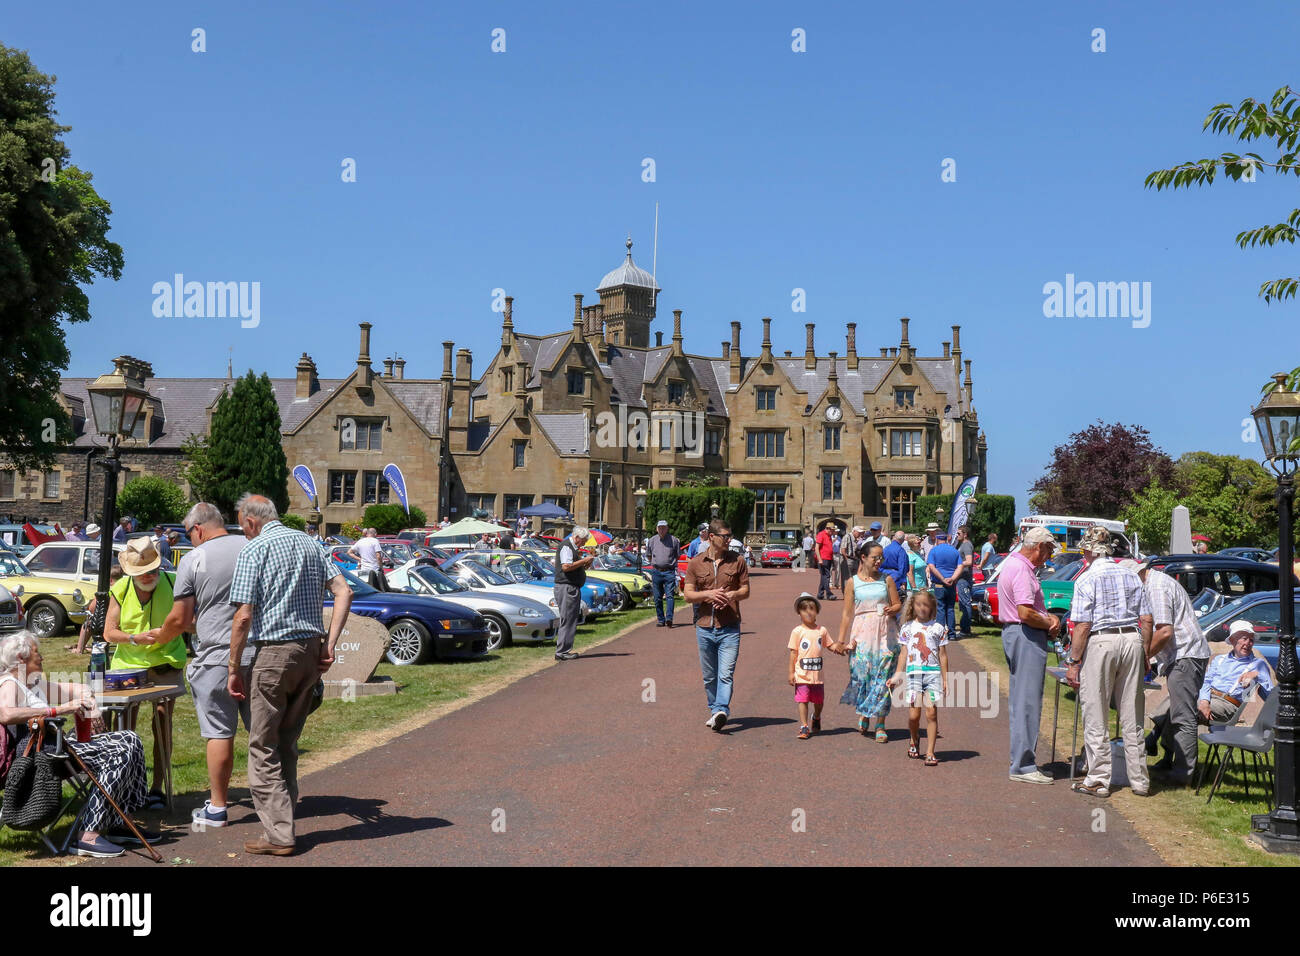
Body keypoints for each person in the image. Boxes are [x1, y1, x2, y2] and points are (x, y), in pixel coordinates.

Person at [227, 493, 353, 856]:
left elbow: (243, 616)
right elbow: (343, 592)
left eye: (243, 526)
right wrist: (330, 645)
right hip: (310, 650)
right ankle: (283, 821)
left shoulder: (254, 550)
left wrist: (233, 668)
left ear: (251, 522)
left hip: (274, 652)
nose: (244, 532)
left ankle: (280, 834)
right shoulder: (311, 543)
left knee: (261, 743)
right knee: (286, 741)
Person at [0, 632, 150, 858]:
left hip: (59, 747)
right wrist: (57, 710)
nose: (42, 657)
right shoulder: (9, 683)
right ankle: (88, 834)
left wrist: (91, 704)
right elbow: (5, 713)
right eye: (36, 652)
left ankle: (120, 822)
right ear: (21, 658)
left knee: (131, 740)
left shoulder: (32, 683)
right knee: (121, 748)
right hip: (43, 757)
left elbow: (78, 689)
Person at [155, 502, 252, 829]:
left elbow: (180, 618)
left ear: (197, 528)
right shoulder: (251, 547)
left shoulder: (195, 558)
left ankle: (219, 807)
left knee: (219, 733)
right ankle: (277, 802)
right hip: (259, 652)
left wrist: (159, 637)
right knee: (267, 735)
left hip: (217, 658)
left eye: (188, 532)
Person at [1066, 526, 1154, 799]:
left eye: (1084, 550)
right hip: (1131, 638)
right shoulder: (1131, 575)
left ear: (1089, 551)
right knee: (1132, 714)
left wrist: (1073, 660)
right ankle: (1139, 780)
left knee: (1096, 712)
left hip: (1101, 640)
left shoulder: (1086, 578)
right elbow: (1147, 619)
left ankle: (1099, 779)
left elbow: (1082, 625)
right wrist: (1146, 652)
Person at [104, 536, 187, 809]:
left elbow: (190, 622)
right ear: (131, 572)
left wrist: (168, 632)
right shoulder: (121, 588)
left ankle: (157, 789)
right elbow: (109, 633)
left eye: (152, 570)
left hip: (165, 663)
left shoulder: (174, 582)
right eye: (142, 572)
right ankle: (126, 787)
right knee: (124, 728)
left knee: (162, 723)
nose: (149, 576)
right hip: (128, 666)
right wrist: (133, 639)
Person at [1127, 558, 1209, 785]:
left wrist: (1143, 657)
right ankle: (1169, 761)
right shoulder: (1155, 583)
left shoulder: (1156, 588)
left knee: (1183, 718)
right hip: (1183, 655)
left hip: (1185, 655)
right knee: (1172, 715)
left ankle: (1183, 774)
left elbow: (1164, 632)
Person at [999, 527, 1061, 785]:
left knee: (1022, 701)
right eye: (1049, 549)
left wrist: (1046, 619)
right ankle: (1023, 765)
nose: (1049, 555)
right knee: (1027, 702)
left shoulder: (1013, 564)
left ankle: (1022, 761)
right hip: (1025, 634)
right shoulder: (1022, 570)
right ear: (1038, 546)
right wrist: (1049, 623)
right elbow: (1025, 612)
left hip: (1018, 634)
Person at [683, 518, 751, 732]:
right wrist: (707, 595)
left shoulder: (737, 561)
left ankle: (721, 709)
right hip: (704, 627)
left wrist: (732, 594)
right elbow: (687, 595)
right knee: (709, 676)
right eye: (725, 536)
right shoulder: (695, 563)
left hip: (730, 626)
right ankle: (715, 710)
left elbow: (746, 590)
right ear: (712, 537)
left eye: (730, 535)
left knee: (726, 673)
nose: (729, 539)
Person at [839, 541, 902, 740]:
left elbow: (897, 604)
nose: (879, 561)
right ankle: (865, 712)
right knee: (863, 676)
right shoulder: (853, 583)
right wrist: (841, 640)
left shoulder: (887, 579)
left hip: (885, 633)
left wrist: (893, 609)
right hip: (862, 634)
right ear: (863, 558)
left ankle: (881, 723)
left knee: (883, 679)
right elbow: (847, 614)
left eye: (881, 557)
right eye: (875, 557)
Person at [887, 589, 949, 766]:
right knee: (914, 715)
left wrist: (945, 679)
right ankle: (914, 740)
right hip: (914, 674)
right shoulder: (907, 628)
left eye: (926, 605)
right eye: (919, 604)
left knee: (931, 713)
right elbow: (903, 654)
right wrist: (897, 676)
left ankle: (930, 752)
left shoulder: (938, 628)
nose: (922, 608)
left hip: (933, 675)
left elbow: (943, 655)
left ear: (932, 607)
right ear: (913, 606)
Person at [788, 593, 847, 739]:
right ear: (799, 613)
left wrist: (840, 648)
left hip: (817, 675)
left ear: (817, 612)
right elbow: (793, 653)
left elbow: (830, 645)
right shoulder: (797, 631)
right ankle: (804, 726)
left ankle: (816, 717)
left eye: (812, 609)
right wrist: (791, 673)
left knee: (819, 702)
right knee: (803, 700)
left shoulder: (822, 630)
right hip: (802, 674)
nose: (808, 612)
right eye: (804, 610)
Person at [1197, 622, 1273, 722]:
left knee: (1186, 710)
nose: (1248, 643)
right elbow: (1206, 682)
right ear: (1233, 640)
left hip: (1228, 704)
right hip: (1208, 698)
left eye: (1251, 640)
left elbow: (1270, 695)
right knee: (1176, 705)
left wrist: (1256, 675)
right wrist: (1204, 701)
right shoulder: (1219, 659)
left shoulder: (1258, 664)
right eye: (1244, 639)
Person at [553, 527, 591, 661]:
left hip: (570, 587)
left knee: (570, 619)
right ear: (577, 538)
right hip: (567, 587)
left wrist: (584, 564)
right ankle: (562, 651)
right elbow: (566, 567)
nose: (584, 544)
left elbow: (570, 566)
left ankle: (564, 650)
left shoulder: (571, 547)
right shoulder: (567, 547)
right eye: (584, 541)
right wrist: (583, 561)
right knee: (568, 619)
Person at [70, 564, 125, 654]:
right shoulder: (126, 589)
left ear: (110, 580)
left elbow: (92, 609)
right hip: (123, 623)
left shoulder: (107, 591)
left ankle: (79, 649)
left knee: (88, 622)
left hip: (108, 625)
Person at [645, 519, 681, 628]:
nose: (661, 529)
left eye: (663, 527)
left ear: (667, 528)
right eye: (660, 527)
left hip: (669, 571)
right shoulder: (652, 540)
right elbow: (649, 555)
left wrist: (670, 564)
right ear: (656, 529)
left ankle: (669, 618)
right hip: (656, 572)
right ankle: (661, 619)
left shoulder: (674, 540)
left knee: (670, 595)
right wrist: (655, 563)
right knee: (657, 597)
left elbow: (677, 555)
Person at [925, 532, 961, 639]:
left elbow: (931, 566)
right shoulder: (954, 551)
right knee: (950, 608)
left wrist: (942, 579)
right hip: (951, 584)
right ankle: (952, 634)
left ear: (937, 539)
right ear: (946, 539)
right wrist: (952, 578)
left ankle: (940, 634)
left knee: (940, 608)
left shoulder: (934, 550)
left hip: (939, 584)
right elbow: (960, 566)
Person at [954, 525, 976, 638]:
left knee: (965, 603)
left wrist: (957, 564)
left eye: (959, 533)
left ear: (965, 534)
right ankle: (965, 628)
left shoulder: (966, 545)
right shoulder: (963, 545)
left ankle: (965, 630)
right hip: (962, 578)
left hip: (964, 578)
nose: (957, 535)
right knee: (963, 604)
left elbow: (969, 561)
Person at [880, 530, 910, 600]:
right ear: (902, 540)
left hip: (883, 576)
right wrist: (903, 581)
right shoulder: (901, 551)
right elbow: (903, 567)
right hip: (896, 578)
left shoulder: (885, 549)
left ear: (894, 537)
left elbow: (880, 564)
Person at [815, 521, 835, 601]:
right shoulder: (821, 534)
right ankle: (829, 594)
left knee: (824, 576)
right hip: (823, 559)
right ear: (828, 529)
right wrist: (820, 559)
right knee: (826, 576)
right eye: (832, 530)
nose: (833, 531)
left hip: (828, 558)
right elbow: (816, 548)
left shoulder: (829, 535)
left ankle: (820, 594)